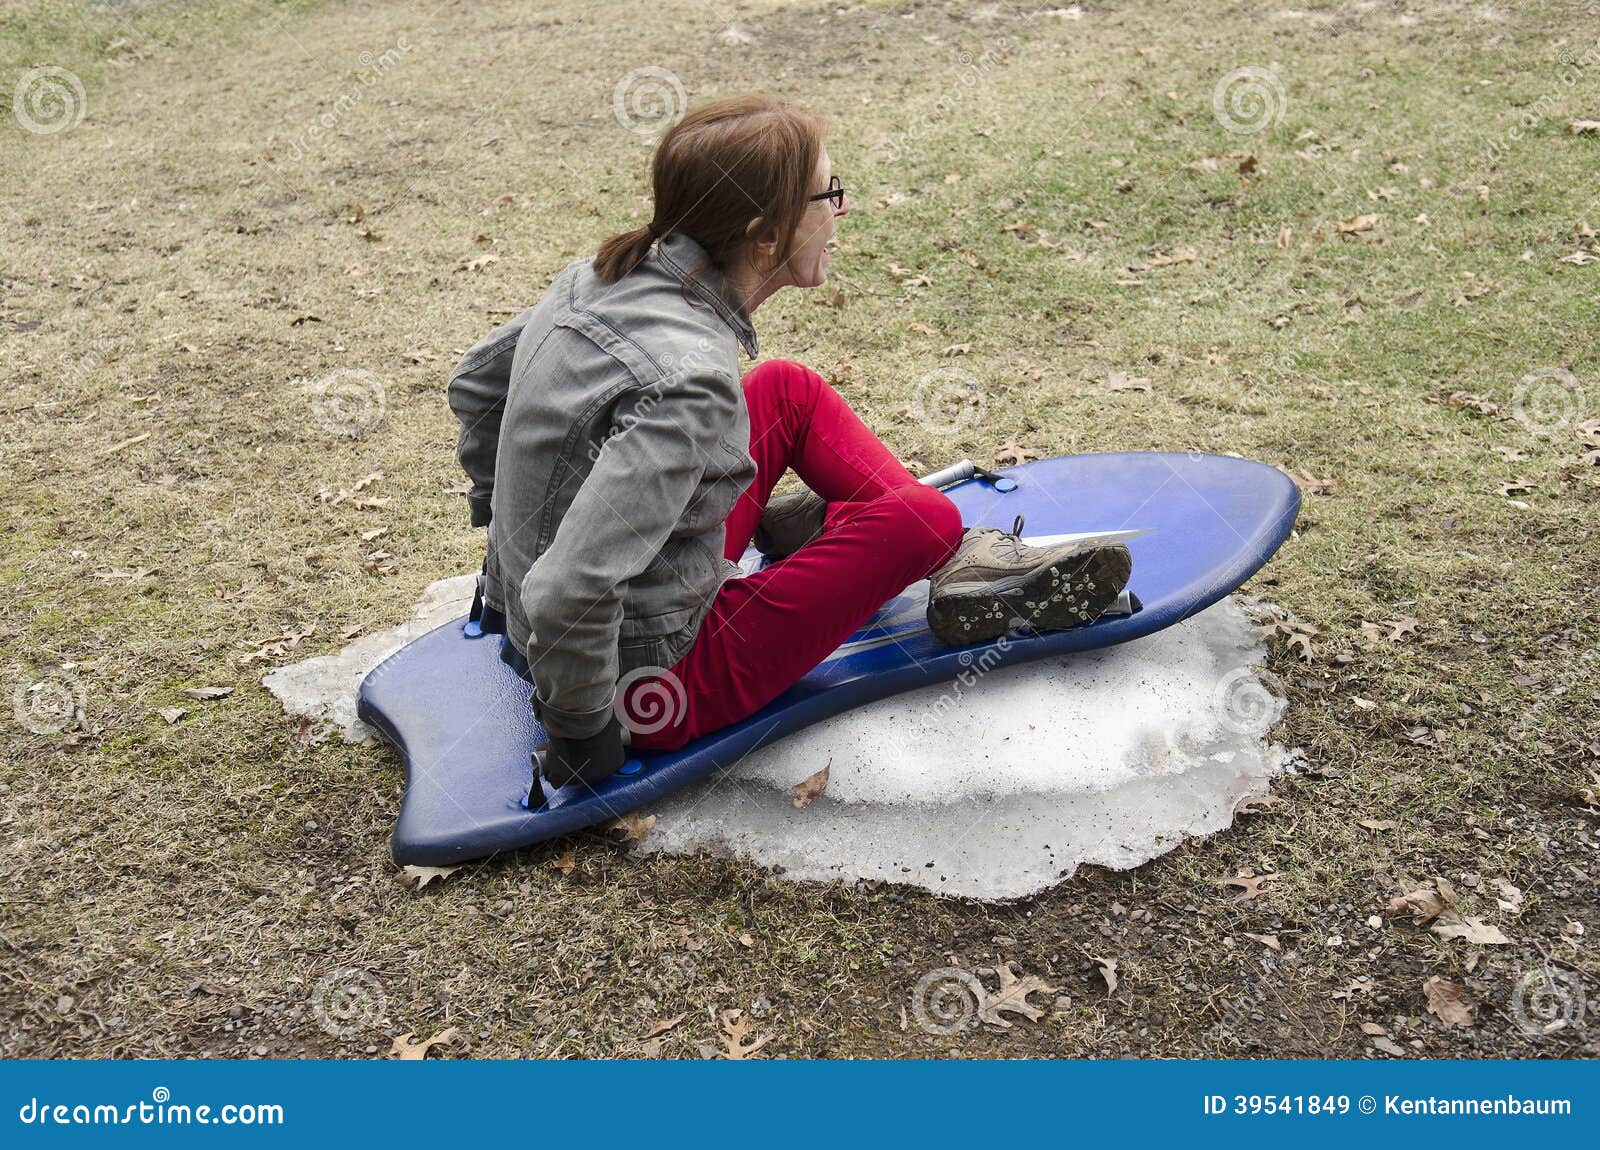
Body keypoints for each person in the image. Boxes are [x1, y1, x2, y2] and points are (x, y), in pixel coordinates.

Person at [447, 95, 1131, 797]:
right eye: (828, 195)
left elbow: (475, 384)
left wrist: (506, 573)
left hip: (591, 605)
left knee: (784, 389)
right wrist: (583, 729)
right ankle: (919, 547)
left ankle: (896, 548)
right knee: (925, 519)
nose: (843, 210)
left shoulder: (599, 276)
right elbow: (568, 589)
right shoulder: (691, 381)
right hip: (653, 680)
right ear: (764, 237)